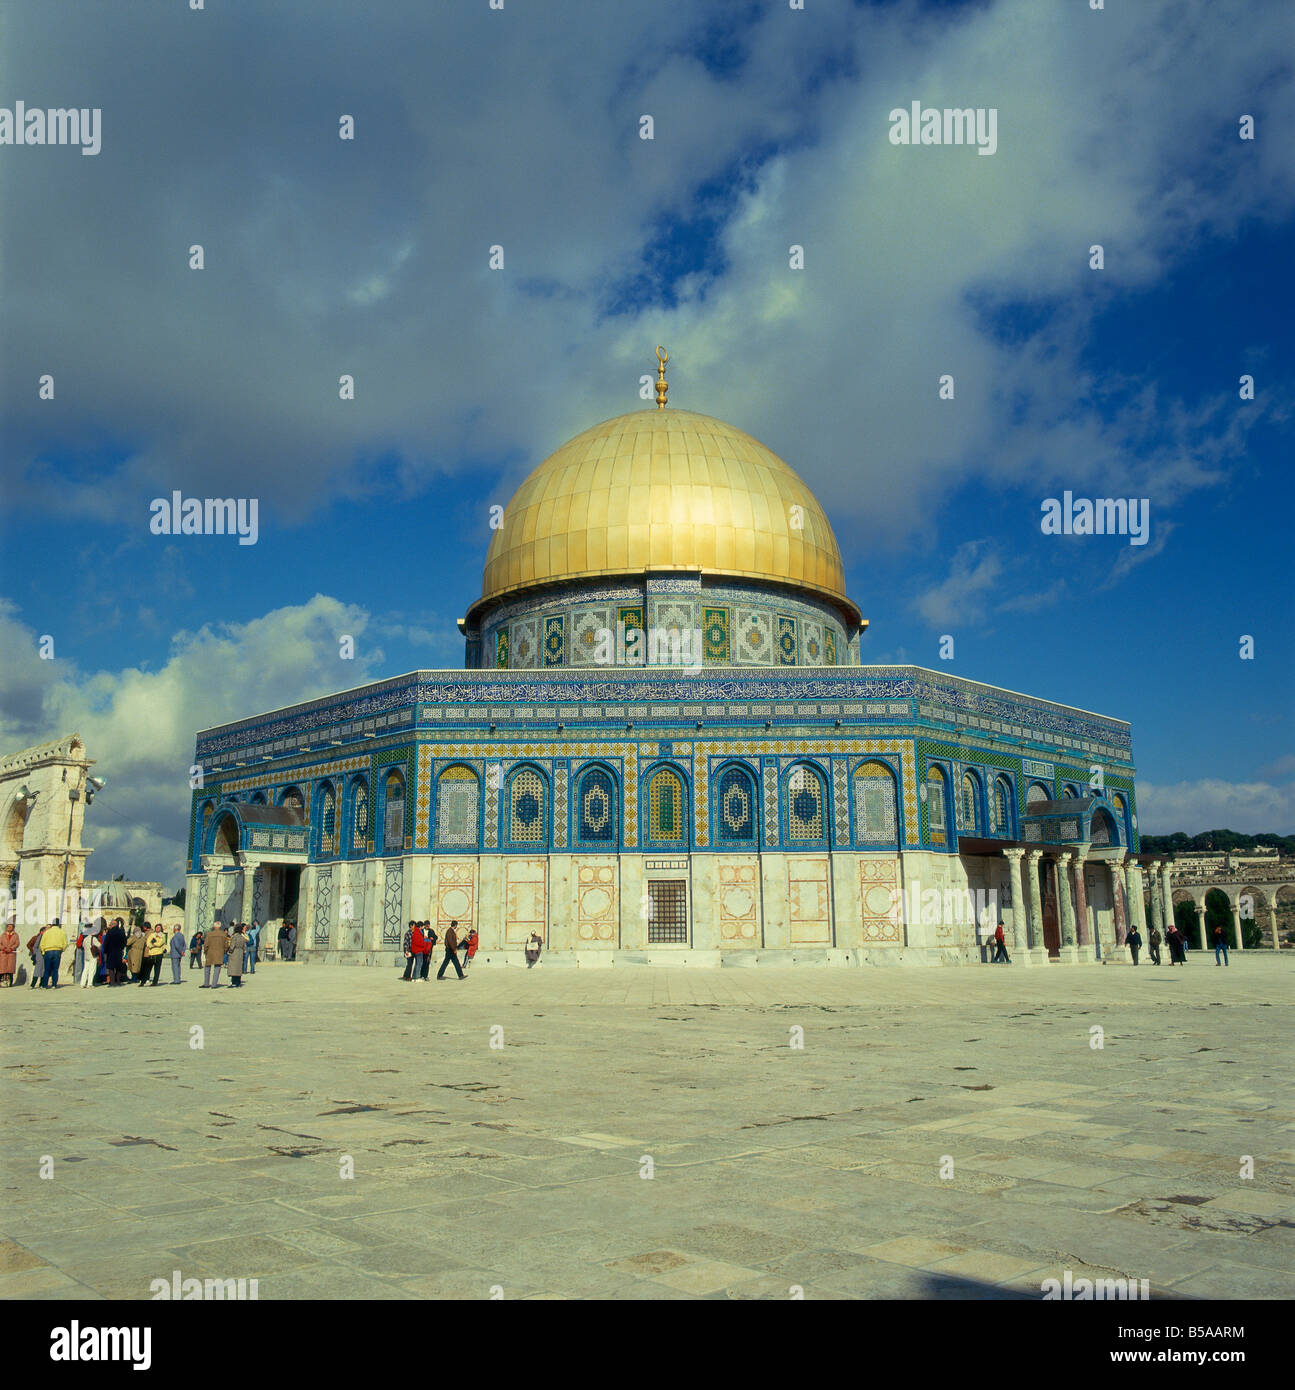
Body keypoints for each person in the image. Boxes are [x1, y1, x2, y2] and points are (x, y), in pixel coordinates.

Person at [40, 920, 68, 988]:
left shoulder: (47, 932)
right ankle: (54, 985)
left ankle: (44, 985)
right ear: (58, 924)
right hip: (57, 951)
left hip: (48, 951)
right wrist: (62, 950)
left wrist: (43, 951)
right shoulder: (62, 932)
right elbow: (65, 943)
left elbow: (42, 943)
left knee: (47, 969)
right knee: (55, 969)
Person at [202, 920, 230, 988]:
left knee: (207, 968)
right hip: (220, 953)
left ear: (214, 926)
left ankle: (206, 983)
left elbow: (206, 945)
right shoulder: (223, 934)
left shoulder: (209, 934)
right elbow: (226, 945)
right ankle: (214, 984)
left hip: (210, 953)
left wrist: (205, 951)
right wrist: (224, 951)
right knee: (217, 969)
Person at [103, 918, 127, 985]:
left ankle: (112, 982)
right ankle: (118, 981)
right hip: (119, 952)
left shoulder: (109, 932)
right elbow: (125, 941)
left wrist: (105, 951)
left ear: (112, 925)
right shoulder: (121, 932)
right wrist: (121, 948)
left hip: (110, 952)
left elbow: (106, 943)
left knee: (111, 968)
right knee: (119, 967)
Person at [80, 921, 102, 988]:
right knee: (92, 969)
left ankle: (82, 983)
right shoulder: (94, 938)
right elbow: (100, 945)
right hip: (93, 956)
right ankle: (89, 983)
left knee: (85, 969)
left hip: (86, 955)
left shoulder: (85, 939)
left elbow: (83, 946)